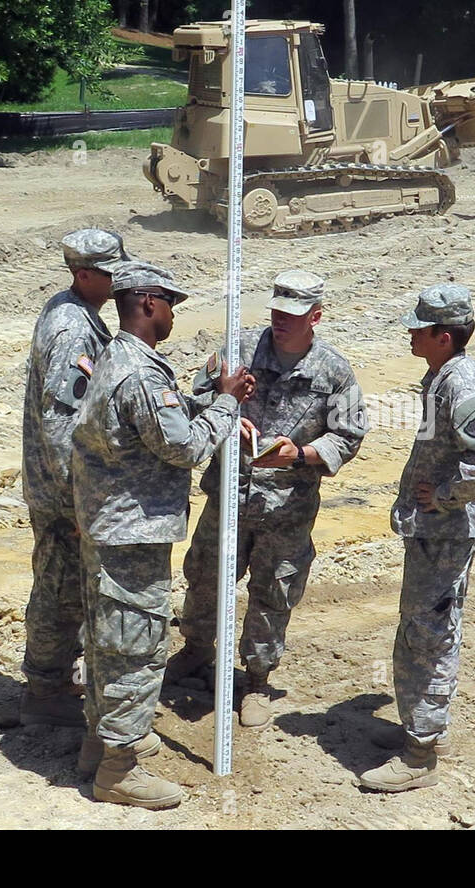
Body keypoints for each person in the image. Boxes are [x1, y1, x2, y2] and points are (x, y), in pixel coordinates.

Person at [71, 260, 255, 809]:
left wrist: (205, 401)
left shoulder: (119, 359)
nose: (174, 313)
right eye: (170, 303)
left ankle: (96, 745)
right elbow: (183, 447)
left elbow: (159, 425)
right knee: (136, 648)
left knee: (108, 644)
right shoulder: (139, 374)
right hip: (132, 536)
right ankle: (118, 771)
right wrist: (227, 402)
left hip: (113, 529)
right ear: (148, 303)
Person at [168, 270, 368, 728]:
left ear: (315, 317)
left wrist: (301, 454)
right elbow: (193, 399)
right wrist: (222, 412)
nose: (280, 321)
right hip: (229, 496)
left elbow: (350, 434)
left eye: (293, 316)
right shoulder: (239, 350)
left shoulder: (333, 372)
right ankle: (197, 651)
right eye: (276, 312)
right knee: (204, 578)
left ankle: (256, 679)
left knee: (273, 591)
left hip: (287, 509)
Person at [359, 283, 475, 793]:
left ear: (443, 336)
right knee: (425, 627)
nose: (410, 334)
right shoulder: (441, 376)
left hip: (446, 533)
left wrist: (444, 495)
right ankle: (420, 731)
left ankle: (420, 753)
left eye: (418, 328)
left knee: (429, 635)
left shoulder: (458, 385)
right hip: (435, 531)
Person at [19, 229, 131, 727]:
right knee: (58, 590)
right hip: (62, 492)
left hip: (61, 488)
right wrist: (79, 503)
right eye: (111, 273)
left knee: (61, 585)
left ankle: (53, 684)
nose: (119, 281)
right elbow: (60, 425)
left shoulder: (73, 311)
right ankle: (44, 693)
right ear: (84, 275)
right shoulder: (71, 330)